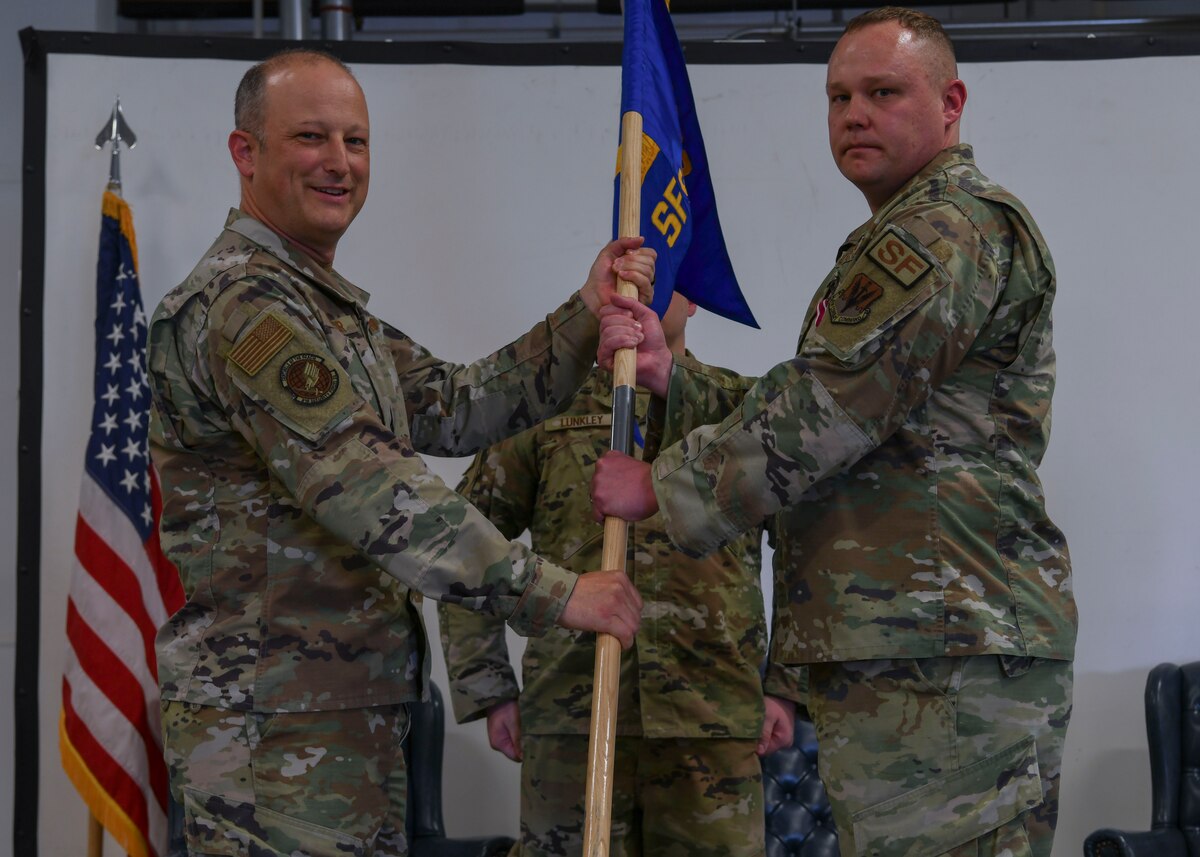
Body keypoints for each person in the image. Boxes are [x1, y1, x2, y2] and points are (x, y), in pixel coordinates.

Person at [590, 8, 1076, 857]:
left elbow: (834, 406)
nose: (854, 114)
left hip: (947, 648)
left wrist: (661, 487)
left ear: (951, 102)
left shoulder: (947, 227)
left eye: (884, 93)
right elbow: (864, 417)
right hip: (919, 639)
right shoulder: (902, 231)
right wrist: (681, 381)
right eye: (839, 97)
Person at [147, 48, 655, 856]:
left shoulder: (320, 308)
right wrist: (554, 592)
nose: (339, 162)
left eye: (356, 141)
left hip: (337, 715)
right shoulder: (244, 306)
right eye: (311, 137)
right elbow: (373, 490)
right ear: (246, 152)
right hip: (271, 733)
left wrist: (586, 312)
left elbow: (457, 404)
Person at [437, 292, 804, 857]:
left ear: (696, 298)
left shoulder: (744, 415)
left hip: (711, 716)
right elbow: (464, 540)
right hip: (572, 717)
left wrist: (787, 685)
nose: (644, 288)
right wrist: (489, 689)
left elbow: (805, 549)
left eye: (664, 274)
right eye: (631, 273)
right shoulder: (546, 411)